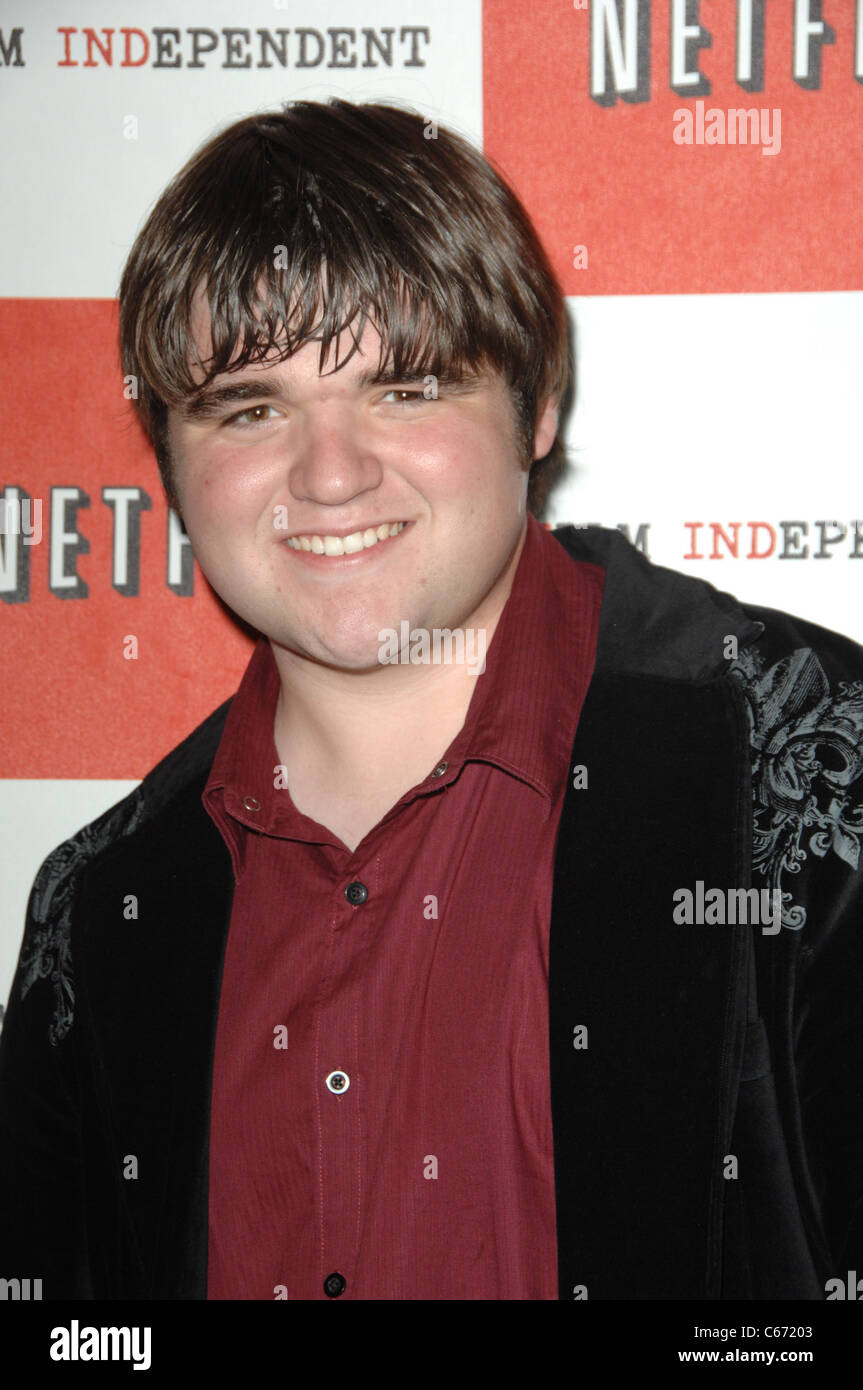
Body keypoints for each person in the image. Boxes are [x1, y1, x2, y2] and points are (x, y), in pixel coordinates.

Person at [1, 98, 862, 1302]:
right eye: (251, 407)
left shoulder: (814, 777)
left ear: (537, 402)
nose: (333, 472)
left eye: (404, 389)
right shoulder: (98, 914)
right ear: (174, 466)